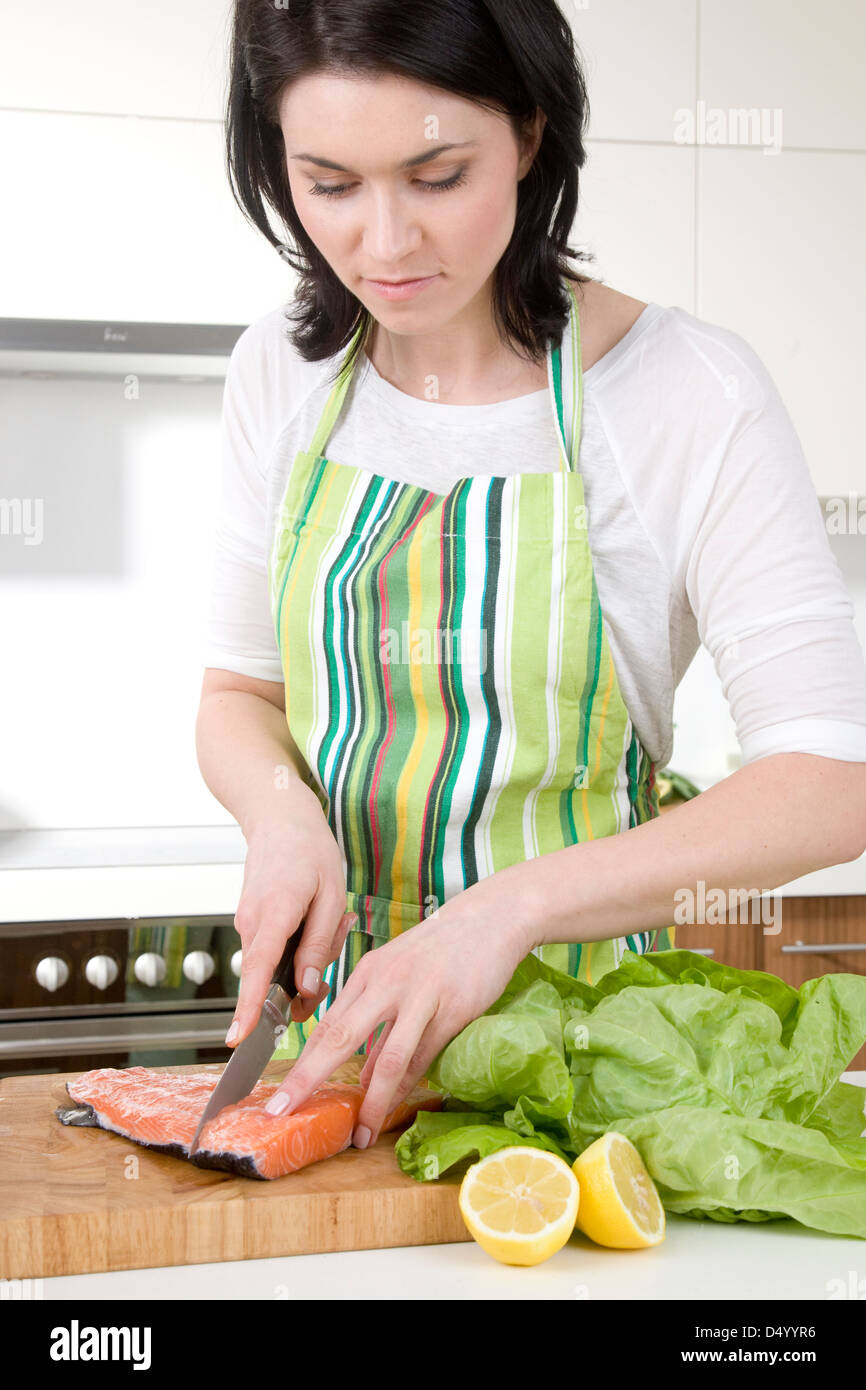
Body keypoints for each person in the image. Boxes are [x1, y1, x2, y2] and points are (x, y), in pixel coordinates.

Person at [196, 0, 866, 1152]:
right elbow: (235, 697)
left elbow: (829, 775)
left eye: (436, 174)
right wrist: (278, 812)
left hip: (595, 1066)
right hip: (333, 1056)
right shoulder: (282, 373)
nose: (385, 243)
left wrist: (505, 911)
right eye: (331, 185)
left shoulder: (684, 394)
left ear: (530, 133)